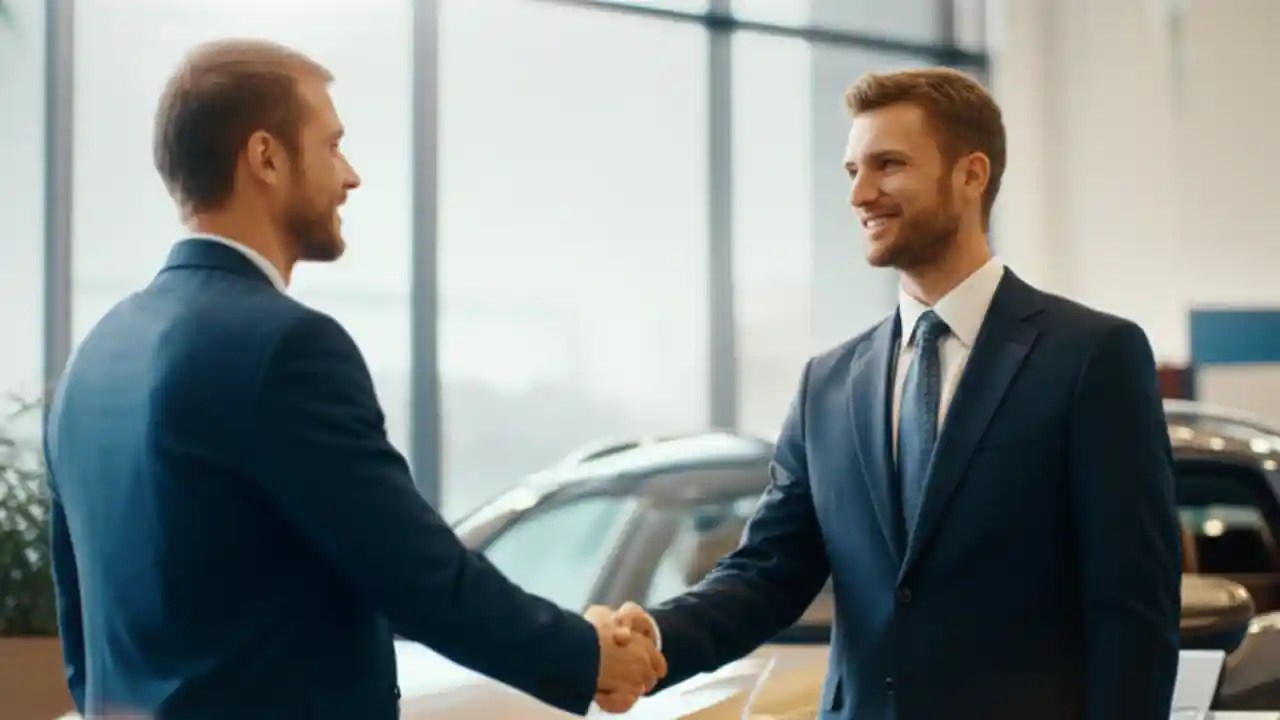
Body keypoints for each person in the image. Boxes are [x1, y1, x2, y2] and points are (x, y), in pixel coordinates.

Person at [43, 39, 663, 719]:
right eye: (332, 144)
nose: (351, 175)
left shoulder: (92, 361)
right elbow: (417, 574)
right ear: (266, 157)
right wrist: (590, 655)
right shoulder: (285, 347)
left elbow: (79, 637)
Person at [592, 67, 1181, 719]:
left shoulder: (1091, 356)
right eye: (852, 171)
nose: (861, 194)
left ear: (971, 174)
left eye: (888, 165)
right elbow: (768, 572)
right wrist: (657, 636)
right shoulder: (829, 383)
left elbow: (1131, 607)